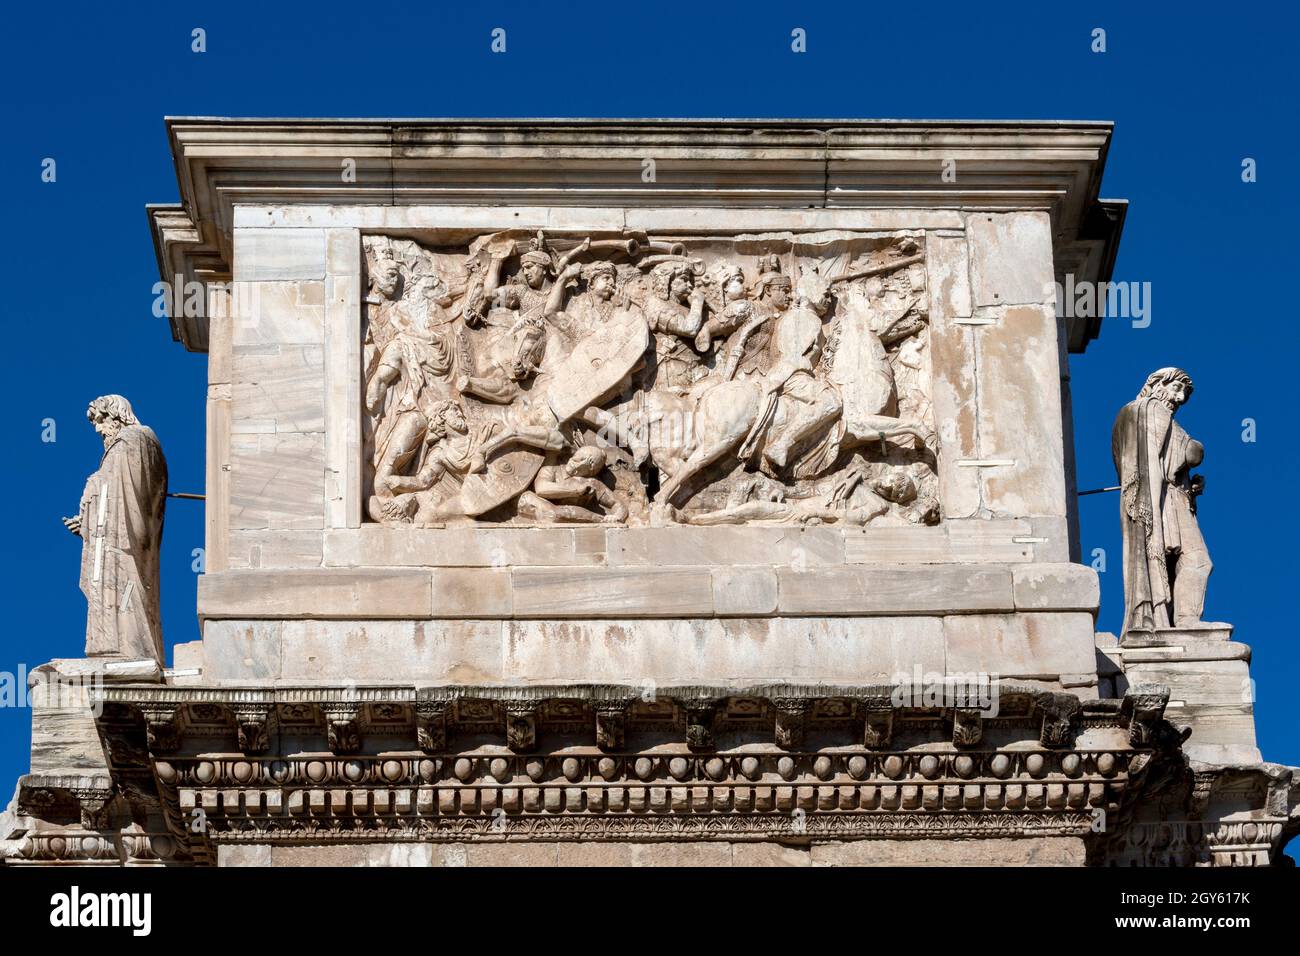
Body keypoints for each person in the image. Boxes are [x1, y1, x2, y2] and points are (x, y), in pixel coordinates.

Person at [63, 395, 167, 663]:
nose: (99, 429)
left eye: (102, 420)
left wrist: (95, 486)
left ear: (118, 415)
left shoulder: (136, 439)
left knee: (126, 585)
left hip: (124, 540)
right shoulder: (127, 445)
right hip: (111, 539)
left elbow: (130, 495)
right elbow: (112, 492)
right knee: (109, 586)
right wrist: (87, 521)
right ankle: (111, 646)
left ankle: (131, 650)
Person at [1112, 367, 1212, 634]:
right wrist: (1150, 510)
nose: (1179, 399)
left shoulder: (1155, 415)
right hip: (1161, 499)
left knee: (1193, 561)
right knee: (1197, 559)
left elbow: (1183, 457)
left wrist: (1190, 485)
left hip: (1176, 498)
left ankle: (1184, 621)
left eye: (1184, 395)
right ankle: (1185, 621)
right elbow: (1148, 466)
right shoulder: (1148, 410)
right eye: (1176, 389)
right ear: (1157, 384)